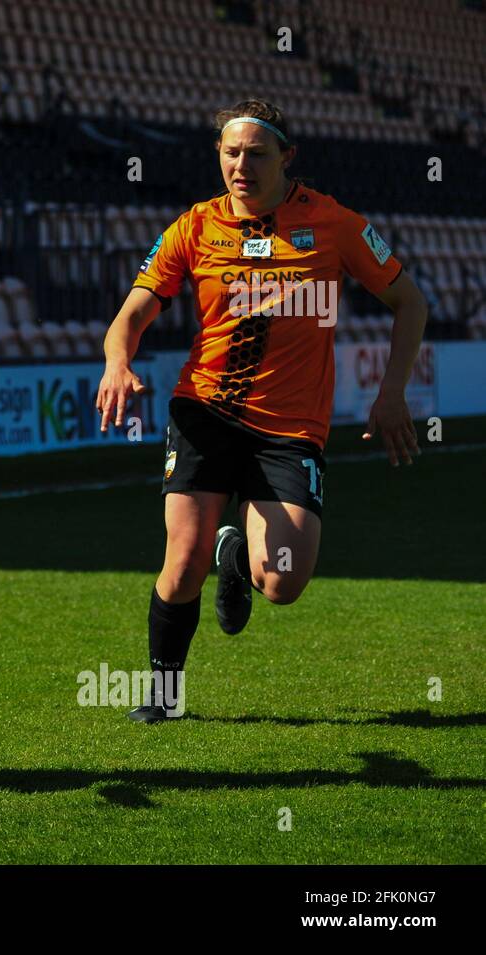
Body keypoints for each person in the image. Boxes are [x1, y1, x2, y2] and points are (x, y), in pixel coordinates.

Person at [95, 99, 428, 723]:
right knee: (183, 559)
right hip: (204, 413)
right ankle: (164, 696)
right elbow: (132, 315)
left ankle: (239, 560)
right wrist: (118, 361)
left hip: (291, 429)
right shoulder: (194, 226)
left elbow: (410, 303)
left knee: (283, 584)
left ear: (287, 158)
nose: (240, 165)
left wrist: (391, 392)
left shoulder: (334, 224)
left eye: (255, 153)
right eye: (230, 152)